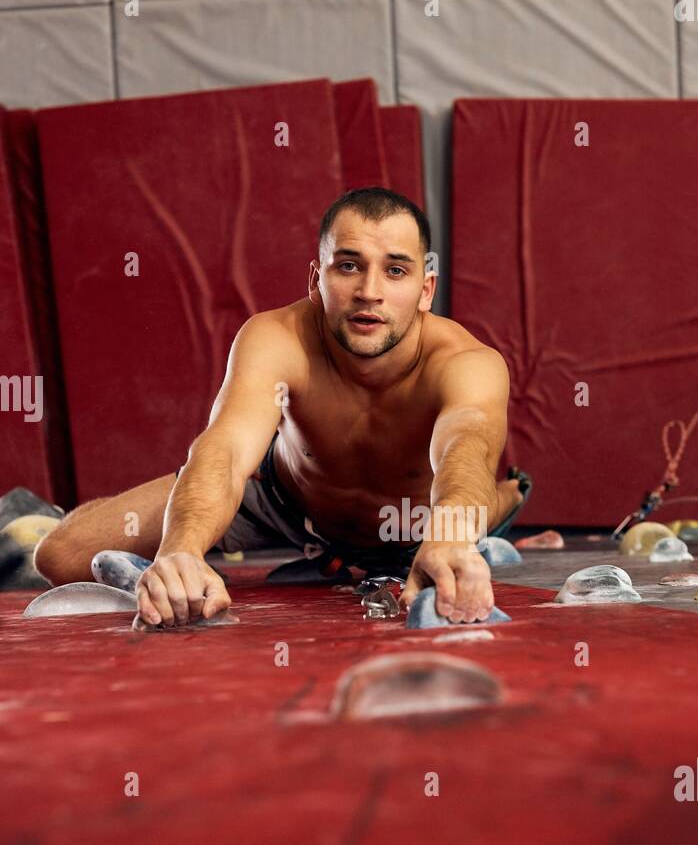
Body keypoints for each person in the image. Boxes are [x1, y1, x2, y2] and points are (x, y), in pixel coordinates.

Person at [35, 187, 527, 626]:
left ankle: (501, 508)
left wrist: (450, 536)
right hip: (285, 502)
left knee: (473, 505)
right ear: (317, 279)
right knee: (61, 554)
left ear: (425, 290)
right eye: (349, 265)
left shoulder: (467, 362)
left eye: (395, 270)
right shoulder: (277, 336)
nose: (369, 292)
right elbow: (225, 449)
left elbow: (467, 445)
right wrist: (179, 552)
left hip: (411, 523)